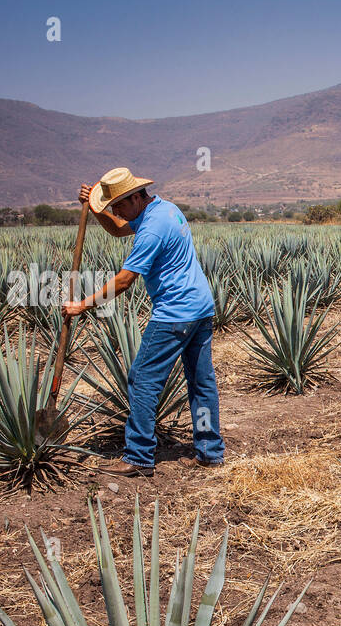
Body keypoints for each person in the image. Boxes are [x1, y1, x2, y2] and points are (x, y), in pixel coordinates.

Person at [62, 167, 225, 476]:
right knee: (202, 384)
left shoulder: (150, 231)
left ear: (136, 197)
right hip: (201, 308)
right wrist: (97, 209)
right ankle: (209, 451)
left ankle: (138, 456)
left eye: (119, 205)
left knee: (143, 380)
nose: (117, 211)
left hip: (175, 315)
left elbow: (124, 281)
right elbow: (120, 228)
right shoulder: (166, 209)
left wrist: (81, 305)